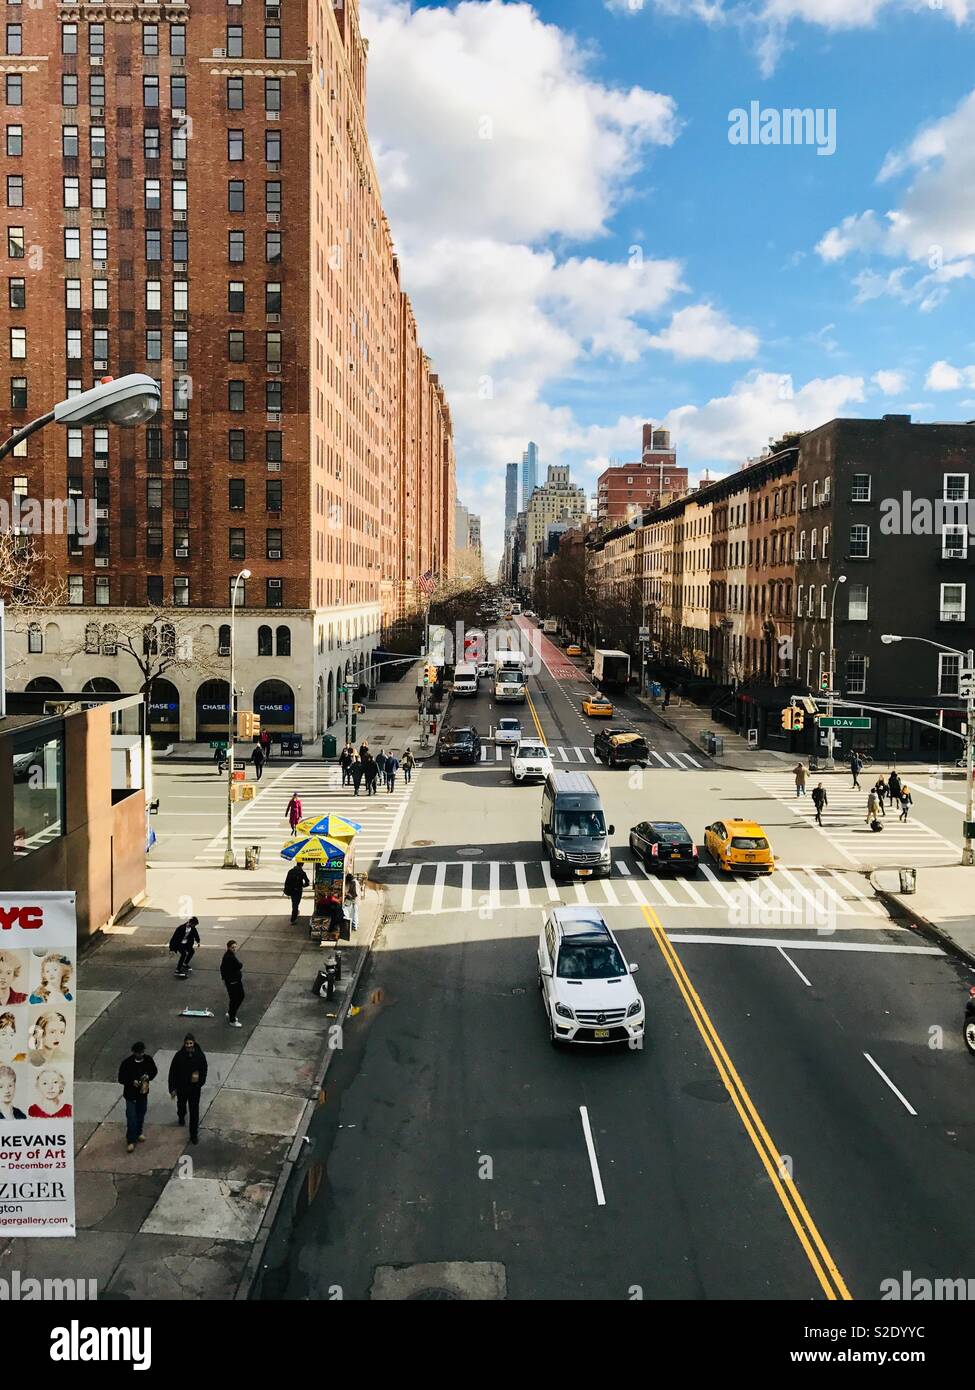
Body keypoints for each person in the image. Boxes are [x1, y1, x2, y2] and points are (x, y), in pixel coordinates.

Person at [118, 1042, 157, 1153]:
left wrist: (148, 1076)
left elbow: (154, 1071)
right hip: (131, 1095)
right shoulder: (127, 1063)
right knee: (131, 1117)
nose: (141, 1055)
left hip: (143, 1092)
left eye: (142, 1052)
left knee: (141, 1114)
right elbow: (121, 1078)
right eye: (138, 1053)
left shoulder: (148, 1060)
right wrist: (132, 1082)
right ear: (134, 1052)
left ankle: (139, 1132)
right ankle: (131, 1140)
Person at [168, 1034, 208, 1144]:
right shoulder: (179, 1056)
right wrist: (172, 1088)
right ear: (184, 1044)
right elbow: (172, 1072)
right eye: (187, 1043)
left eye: (190, 1043)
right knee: (181, 1105)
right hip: (182, 1088)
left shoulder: (200, 1056)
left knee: (194, 1111)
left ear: (194, 1043)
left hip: (194, 1089)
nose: (189, 1045)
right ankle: (181, 1116)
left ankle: (193, 1134)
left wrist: (200, 1082)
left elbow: (204, 1069)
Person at [221, 941, 244, 1027]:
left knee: (234, 998)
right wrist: (240, 964)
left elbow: (222, 968)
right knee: (238, 997)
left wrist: (223, 978)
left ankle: (231, 1013)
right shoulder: (230, 957)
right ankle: (232, 1019)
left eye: (235, 947)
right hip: (234, 981)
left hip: (231, 981)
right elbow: (239, 965)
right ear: (228, 947)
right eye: (232, 947)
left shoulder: (227, 955)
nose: (234, 949)